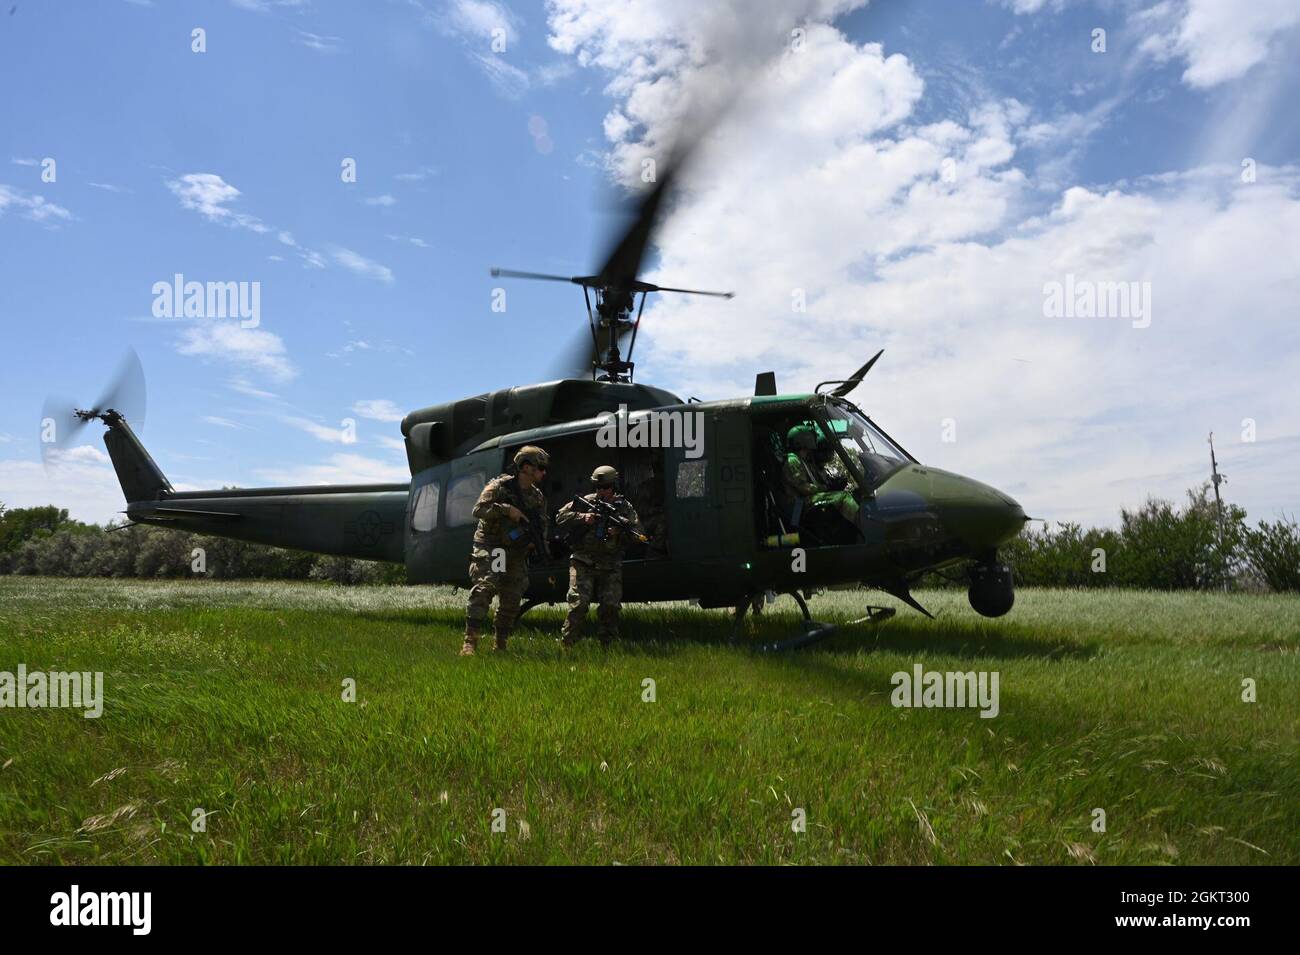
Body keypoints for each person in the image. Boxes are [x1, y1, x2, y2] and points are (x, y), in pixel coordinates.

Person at [461, 445, 550, 656]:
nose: (544, 472)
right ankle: (470, 643)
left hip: (516, 551)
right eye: (540, 467)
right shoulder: (500, 487)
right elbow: (478, 510)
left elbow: (542, 526)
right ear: (526, 467)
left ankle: (500, 644)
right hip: (494, 547)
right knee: (487, 586)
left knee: (512, 595)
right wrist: (506, 510)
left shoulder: (537, 497)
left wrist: (535, 543)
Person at [554, 465, 645, 647]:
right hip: (583, 561)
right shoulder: (586, 502)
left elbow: (639, 533)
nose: (601, 491)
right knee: (578, 605)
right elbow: (560, 517)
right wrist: (583, 517)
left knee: (610, 607)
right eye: (598, 487)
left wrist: (618, 531)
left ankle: (608, 646)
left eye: (606, 487)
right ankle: (567, 645)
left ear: (614, 487)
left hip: (610, 564)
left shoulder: (624, 508)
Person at [781, 424, 858, 524]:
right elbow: (804, 488)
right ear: (803, 440)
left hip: (804, 502)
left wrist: (831, 484)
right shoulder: (793, 461)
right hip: (799, 506)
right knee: (844, 497)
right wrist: (827, 488)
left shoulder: (802, 460)